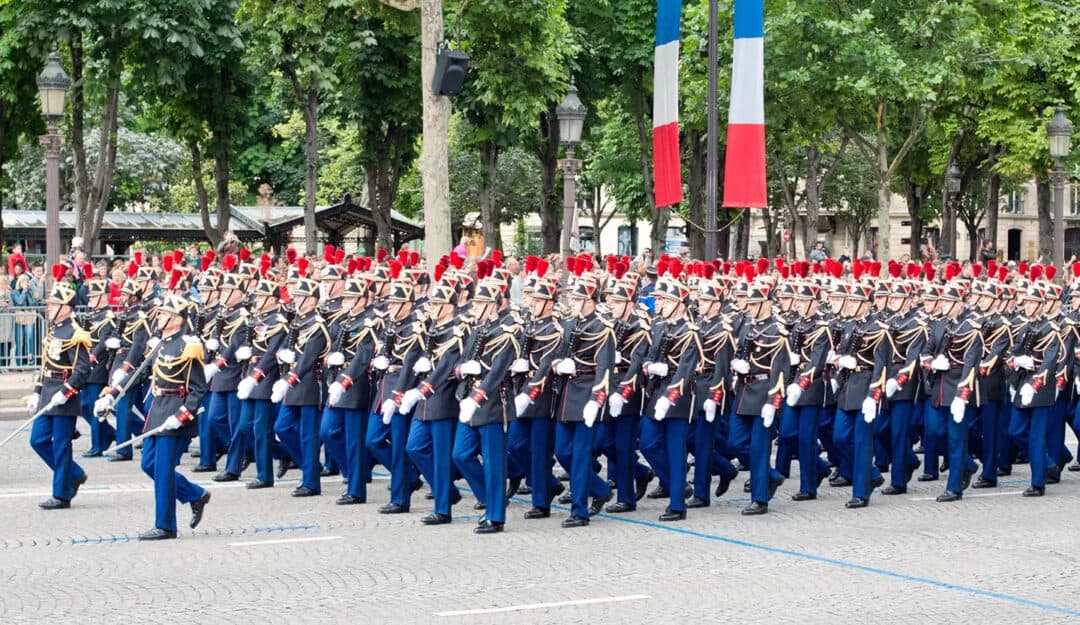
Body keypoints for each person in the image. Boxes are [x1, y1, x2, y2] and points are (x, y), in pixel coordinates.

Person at [135, 293, 210, 540]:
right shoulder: (160, 343)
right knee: (149, 464)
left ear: (178, 319)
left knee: (164, 469)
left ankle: (165, 525)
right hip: (158, 409)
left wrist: (183, 413)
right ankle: (194, 494)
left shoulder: (188, 345)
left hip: (176, 411)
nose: (160, 317)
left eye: (166, 314)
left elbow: (199, 387)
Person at [27, 265, 91, 510]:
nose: (49, 308)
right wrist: (36, 391)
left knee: (61, 445)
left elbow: (82, 369)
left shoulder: (75, 333)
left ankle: (62, 494)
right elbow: (45, 365)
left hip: (65, 395)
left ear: (65, 308)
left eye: (53, 305)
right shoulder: (54, 330)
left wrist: (67, 391)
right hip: (48, 393)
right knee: (38, 440)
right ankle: (73, 474)